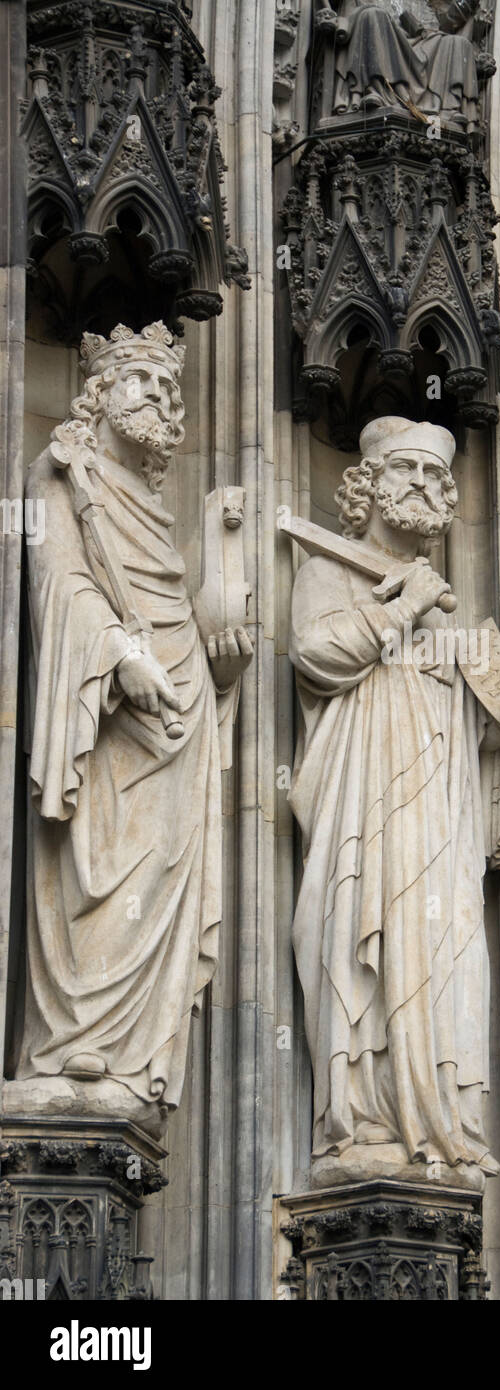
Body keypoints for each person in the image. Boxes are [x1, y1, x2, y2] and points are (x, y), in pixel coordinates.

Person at [288, 416, 500, 1189]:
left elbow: (463, 727)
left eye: (440, 480)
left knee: (449, 950)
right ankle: (367, 1117)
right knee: (368, 938)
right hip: (364, 810)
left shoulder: (448, 613)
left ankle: (442, 1117)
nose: (428, 488)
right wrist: (401, 610)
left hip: (441, 820)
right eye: (408, 472)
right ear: (366, 486)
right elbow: (316, 655)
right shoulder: (329, 570)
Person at [10, 322, 252, 1135]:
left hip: (177, 725)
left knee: (155, 875)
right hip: (112, 716)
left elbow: (183, 622)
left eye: (167, 387)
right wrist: (117, 657)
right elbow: (60, 583)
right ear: (99, 393)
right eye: (138, 381)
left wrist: (218, 654)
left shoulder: (151, 506)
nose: (156, 395)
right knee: (94, 866)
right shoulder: (63, 474)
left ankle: (134, 1053)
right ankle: (74, 1038)